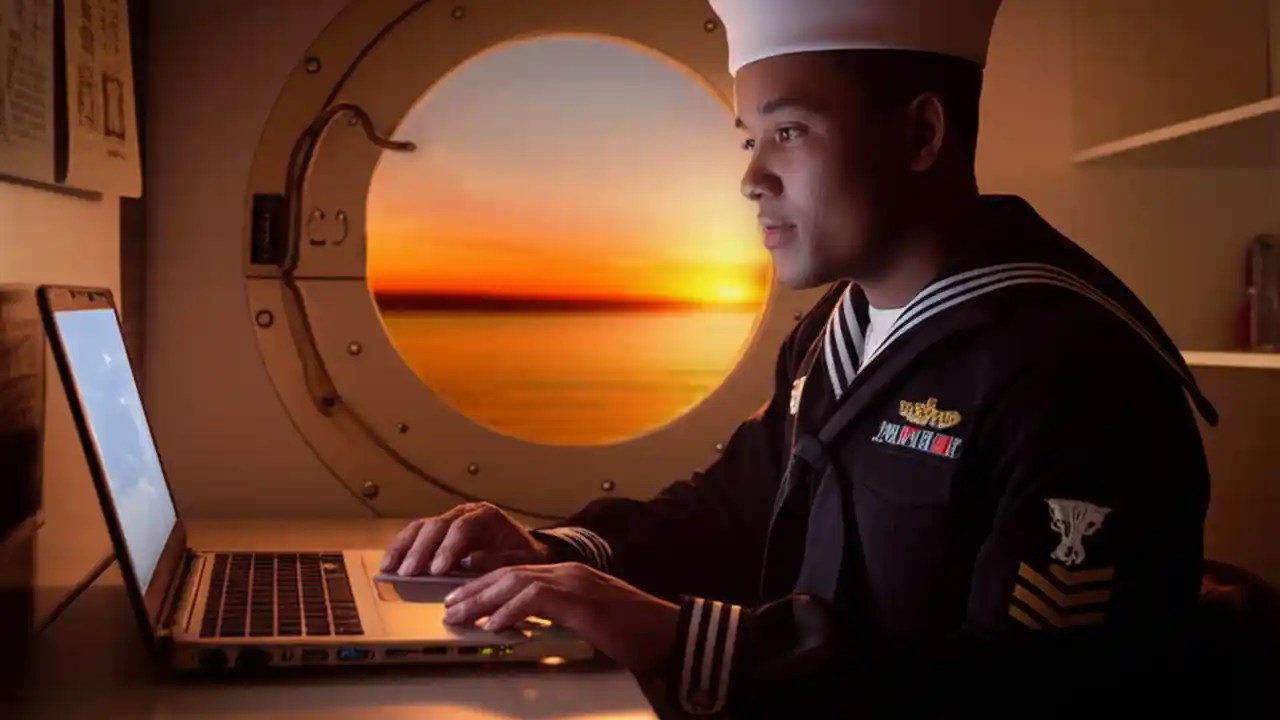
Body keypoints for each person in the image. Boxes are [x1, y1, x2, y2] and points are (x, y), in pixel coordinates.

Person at [381, 0, 1220, 715]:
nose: (752, 177)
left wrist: (686, 640)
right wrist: (559, 554)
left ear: (922, 133)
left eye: (789, 131)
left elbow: (1023, 693)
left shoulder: (1073, 378)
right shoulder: (837, 327)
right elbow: (737, 507)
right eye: (750, 137)